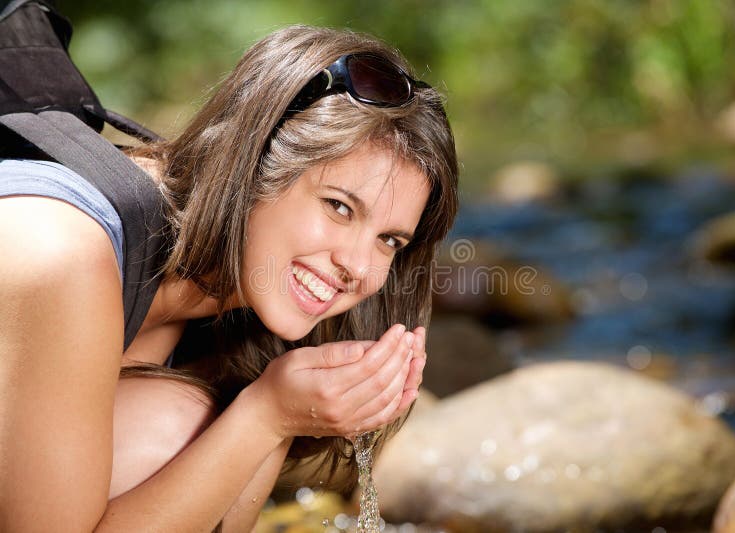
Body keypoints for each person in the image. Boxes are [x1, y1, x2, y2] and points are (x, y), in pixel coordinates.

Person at [0, 24, 458, 532]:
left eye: (389, 240)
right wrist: (267, 415)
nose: (357, 264)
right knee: (194, 426)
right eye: (338, 206)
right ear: (254, 163)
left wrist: (276, 415)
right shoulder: (66, 252)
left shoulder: (241, 316)